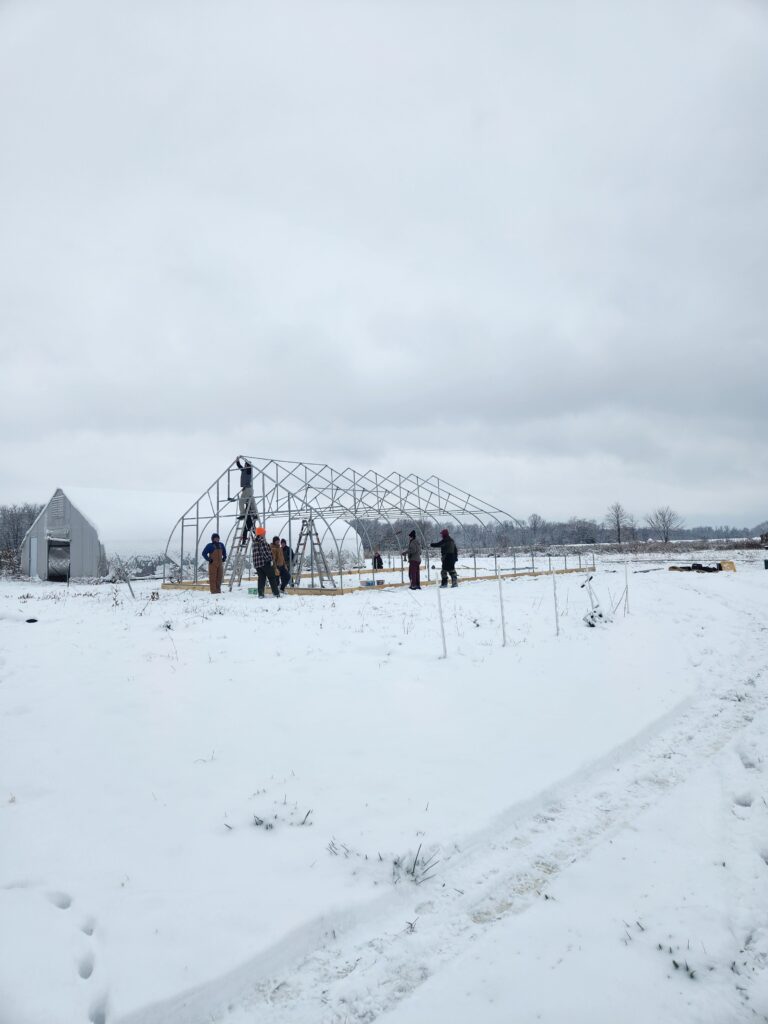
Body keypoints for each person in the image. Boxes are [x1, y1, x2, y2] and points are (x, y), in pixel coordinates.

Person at [252, 527, 280, 598]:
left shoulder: (254, 542)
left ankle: (260, 594)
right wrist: (270, 559)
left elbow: (254, 554)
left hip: (258, 565)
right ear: (261, 533)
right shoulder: (262, 541)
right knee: (272, 577)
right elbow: (265, 553)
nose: (265, 534)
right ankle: (276, 593)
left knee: (261, 579)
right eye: (264, 533)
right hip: (265, 563)